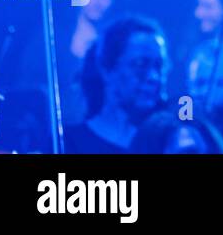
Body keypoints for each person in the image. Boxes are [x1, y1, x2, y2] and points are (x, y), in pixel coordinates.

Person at [66, 16, 169, 154]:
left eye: (159, 66)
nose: (154, 77)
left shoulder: (169, 142)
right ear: (106, 69)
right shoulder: (69, 143)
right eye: (140, 65)